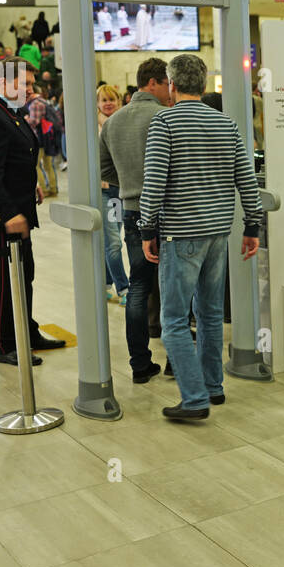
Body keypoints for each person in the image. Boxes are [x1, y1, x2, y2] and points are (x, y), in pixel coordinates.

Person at [138, 54, 262, 419]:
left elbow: (155, 182)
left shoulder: (165, 122)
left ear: (172, 86)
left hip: (181, 235)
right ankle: (213, 386)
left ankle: (194, 398)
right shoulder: (227, 124)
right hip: (218, 234)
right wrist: (252, 226)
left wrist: (147, 228)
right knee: (210, 313)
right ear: (205, 86)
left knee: (174, 319)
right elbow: (247, 179)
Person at [0, 59, 66, 366]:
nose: (30, 90)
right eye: (23, 84)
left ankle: (27, 331)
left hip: (18, 208)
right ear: (1, 83)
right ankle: (6, 344)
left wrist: (33, 185)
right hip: (2, 216)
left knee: (24, 275)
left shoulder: (11, 113)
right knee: (4, 281)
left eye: (30, 84)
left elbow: (19, 156)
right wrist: (8, 214)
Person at [102, 58, 172, 381]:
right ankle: (176, 360)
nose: (170, 91)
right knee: (174, 285)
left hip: (131, 210)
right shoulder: (164, 117)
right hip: (167, 211)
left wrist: (128, 184)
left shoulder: (112, 122)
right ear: (154, 83)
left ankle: (140, 365)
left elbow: (103, 169)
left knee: (138, 286)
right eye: (167, 84)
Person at [96, 85, 129, 303]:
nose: (108, 103)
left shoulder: (124, 124)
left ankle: (106, 283)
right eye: (104, 100)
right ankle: (125, 288)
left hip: (122, 190)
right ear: (97, 103)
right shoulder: (93, 127)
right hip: (105, 191)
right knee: (114, 242)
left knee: (112, 239)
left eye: (112, 99)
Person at [26, 96, 60, 197]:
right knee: (49, 165)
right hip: (48, 138)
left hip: (39, 139)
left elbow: (34, 122)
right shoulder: (45, 102)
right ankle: (53, 189)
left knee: (36, 165)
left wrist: (26, 119)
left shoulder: (35, 104)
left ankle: (44, 189)